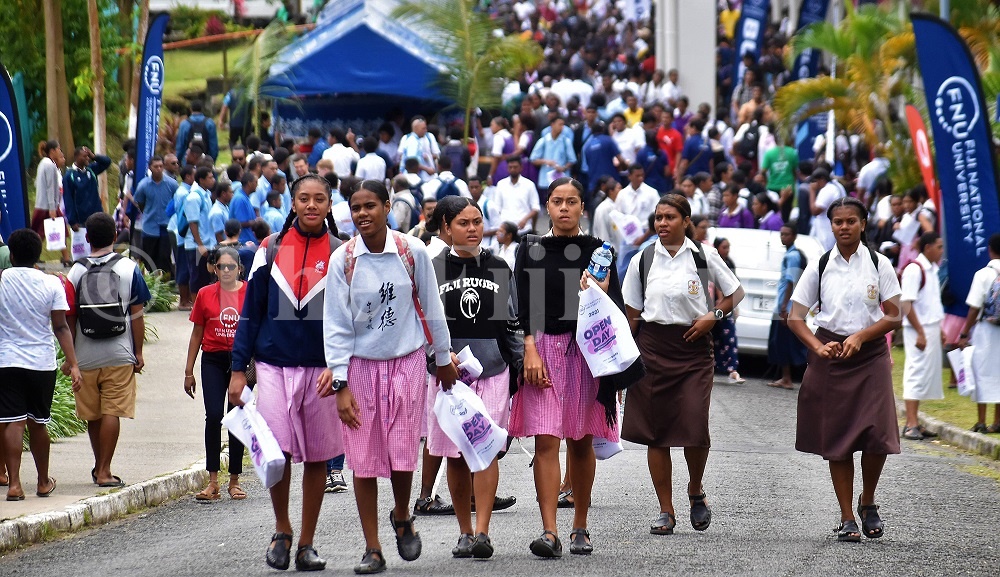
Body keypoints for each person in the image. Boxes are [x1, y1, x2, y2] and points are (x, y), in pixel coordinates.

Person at [323, 179, 456, 574]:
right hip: (360, 366)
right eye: (355, 207)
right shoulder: (343, 259)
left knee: (401, 454)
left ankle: (401, 515)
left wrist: (444, 357)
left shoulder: (411, 251)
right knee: (362, 459)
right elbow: (336, 325)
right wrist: (340, 382)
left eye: (370, 206)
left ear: (387, 207)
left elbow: (433, 308)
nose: (362, 213)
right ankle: (373, 547)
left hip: (408, 363)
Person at [228, 174, 344, 571]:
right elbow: (250, 313)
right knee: (276, 454)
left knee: (316, 458)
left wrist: (339, 365)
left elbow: (351, 319)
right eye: (303, 199)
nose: (311, 206)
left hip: (323, 372)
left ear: (330, 205)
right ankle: (282, 529)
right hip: (273, 366)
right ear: (292, 203)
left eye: (319, 199)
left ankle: (307, 543)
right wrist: (238, 369)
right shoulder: (270, 248)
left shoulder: (343, 252)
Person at [511, 177, 628, 558]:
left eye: (572, 201)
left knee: (580, 440)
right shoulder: (529, 249)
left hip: (587, 352)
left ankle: (580, 525)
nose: (564, 208)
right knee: (545, 440)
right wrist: (528, 348)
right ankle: (550, 531)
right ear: (547, 206)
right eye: (557, 201)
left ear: (582, 208)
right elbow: (520, 305)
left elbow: (611, 311)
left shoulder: (600, 250)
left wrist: (596, 288)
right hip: (542, 349)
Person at [620, 193, 743, 536]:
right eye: (658, 217)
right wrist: (621, 364)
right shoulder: (642, 259)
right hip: (652, 350)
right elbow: (632, 315)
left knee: (694, 424)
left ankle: (695, 489)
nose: (662, 223)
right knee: (655, 434)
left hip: (693, 352)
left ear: (686, 221)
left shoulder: (703, 256)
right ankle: (666, 509)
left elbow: (735, 293)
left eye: (669, 217)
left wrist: (713, 316)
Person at [787, 196, 903, 542]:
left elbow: (894, 314)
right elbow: (795, 316)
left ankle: (868, 501)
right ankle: (847, 516)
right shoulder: (820, 265)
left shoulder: (880, 264)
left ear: (863, 224)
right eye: (838, 222)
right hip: (831, 357)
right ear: (831, 226)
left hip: (870, 357)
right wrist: (818, 346)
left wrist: (862, 336)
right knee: (838, 438)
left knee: (877, 434)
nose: (844, 227)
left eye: (851, 221)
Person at [428, 197, 523, 559]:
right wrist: (435, 356)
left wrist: (521, 364)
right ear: (447, 227)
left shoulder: (499, 266)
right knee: (455, 453)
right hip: (448, 375)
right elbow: (420, 323)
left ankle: (483, 530)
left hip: (493, 370)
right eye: (464, 223)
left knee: (486, 451)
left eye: (477, 222)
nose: (472, 229)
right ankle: (464, 531)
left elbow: (512, 322)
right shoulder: (431, 268)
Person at [67, 212, 150, 488]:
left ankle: (98, 466)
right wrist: (138, 353)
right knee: (111, 411)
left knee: (93, 413)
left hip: (85, 354)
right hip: (118, 351)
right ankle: (105, 470)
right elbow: (136, 315)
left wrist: (71, 358)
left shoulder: (77, 271)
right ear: (116, 236)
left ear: (87, 239)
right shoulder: (128, 268)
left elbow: (69, 318)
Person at [0, 228, 83, 501]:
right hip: (41, 362)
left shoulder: (1, 280)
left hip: (7, 360)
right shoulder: (51, 284)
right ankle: (43, 482)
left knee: (13, 421)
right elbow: (60, 327)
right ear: (38, 255)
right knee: (38, 422)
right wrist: (73, 364)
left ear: (11, 255)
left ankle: (14, 485)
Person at [183, 246, 249, 501]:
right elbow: (197, 333)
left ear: (239, 268)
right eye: (222, 267)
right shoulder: (205, 294)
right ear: (214, 269)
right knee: (213, 416)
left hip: (240, 363)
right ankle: (212, 481)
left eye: (232, 267)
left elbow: (257, 330)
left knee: (236, 417)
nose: (227, 271)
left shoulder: (249, 294)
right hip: (212, 359)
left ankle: (234, 480)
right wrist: (189, 370)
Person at [900, 232, 945, 440]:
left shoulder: (932, 270)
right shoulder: (914, 269)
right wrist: (920, 331)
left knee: (925, 375)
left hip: (930, 326)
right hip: (918, 329)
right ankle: (910, 424)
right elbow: (906, 303)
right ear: (928, 248)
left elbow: (931, 302)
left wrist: (940, 329)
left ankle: (915, 421)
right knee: (915, 372)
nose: (941, 250)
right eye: (939, 246)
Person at [958, 233, 1000, 434]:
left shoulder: (983, 274)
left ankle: (981, 421)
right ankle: (998, 421)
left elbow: (974, 308)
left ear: (990, 250)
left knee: (982, 372)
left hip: (986, 330)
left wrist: (964, 333)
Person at [767, 223, 808, 389]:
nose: (783, 237)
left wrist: (784, 307)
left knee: (786, 343)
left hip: (787, 306)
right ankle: (786, 377)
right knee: (784, 342)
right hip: (785, 305)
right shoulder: (790, 254)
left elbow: (792, 282)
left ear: (794, 236)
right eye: (781, 234)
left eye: (787, 234)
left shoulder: (792, 257)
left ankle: (787, 378)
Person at [133, 156, 179, 274]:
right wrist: (148, 213)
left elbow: (177, 201)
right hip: (150, 226)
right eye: (156, 166)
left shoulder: (172, 184)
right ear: (150, 168)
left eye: (161, 166)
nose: (159, 169)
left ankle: (166, 283)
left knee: (164, 257)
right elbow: (140, 202)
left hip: (166, 225)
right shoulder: (143, 185)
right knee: (149, 257)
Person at [31, 140, 71, 266]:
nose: (60, 151)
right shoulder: (49, 165)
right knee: (42, 233)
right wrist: (53, 207)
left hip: (42, 204)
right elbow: (50, 188)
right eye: (58, 149)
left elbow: (37, 183)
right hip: (48, 206)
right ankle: (33, 257)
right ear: (52, 151)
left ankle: (65, 257)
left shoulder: (43, 163)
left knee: (45, 232)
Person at [711, 237, 744, 383]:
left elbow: (735, 286)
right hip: (712, 307)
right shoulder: (713, 262)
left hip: (727, 308)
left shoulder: (729, 263)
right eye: (724, 247)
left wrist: (733, 307)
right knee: (711, 339)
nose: (727, 250)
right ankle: (708, 369)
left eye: (728, 247)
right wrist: (719, 300)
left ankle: (733, 370)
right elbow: (716, 283)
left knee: (729, 338)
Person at [184, 167, 218, 297]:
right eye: (210, 177)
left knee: (205, 277)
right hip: (197, 245)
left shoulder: (206, 195)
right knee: (197, 277)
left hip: (207, 243)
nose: (213, 180)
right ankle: (195, 306)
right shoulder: (194, 197)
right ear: (201, 179)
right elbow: (193, 223)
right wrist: (200, 244)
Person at [63, 146, 113, 234]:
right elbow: (68, 199)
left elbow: (107, 162)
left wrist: (94, 156)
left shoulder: (91, 170)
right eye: (84, 156)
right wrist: (72, 221)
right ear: (77, 157)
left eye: (88, 156)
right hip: (82, 220)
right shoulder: (69, 176)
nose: (87, 158)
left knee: (99, 244)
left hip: (97, 215)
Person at [494, 157, 540, 235]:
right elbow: (497, 207)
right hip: (505, 229)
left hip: (524, 228)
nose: (512, 169)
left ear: (521, 168)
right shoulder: (501, 184)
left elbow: (535, 208)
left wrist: (525, 220)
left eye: (515, 167)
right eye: (510, 167)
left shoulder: (529, 185)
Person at [808, 168, 845, 251]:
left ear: (821, 179)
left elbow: (815, 210)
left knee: (825, 252)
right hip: (829, 225)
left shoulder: (827, 190)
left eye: (815, 181)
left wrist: (812, 191)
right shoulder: (835, 186)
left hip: (826, 228)